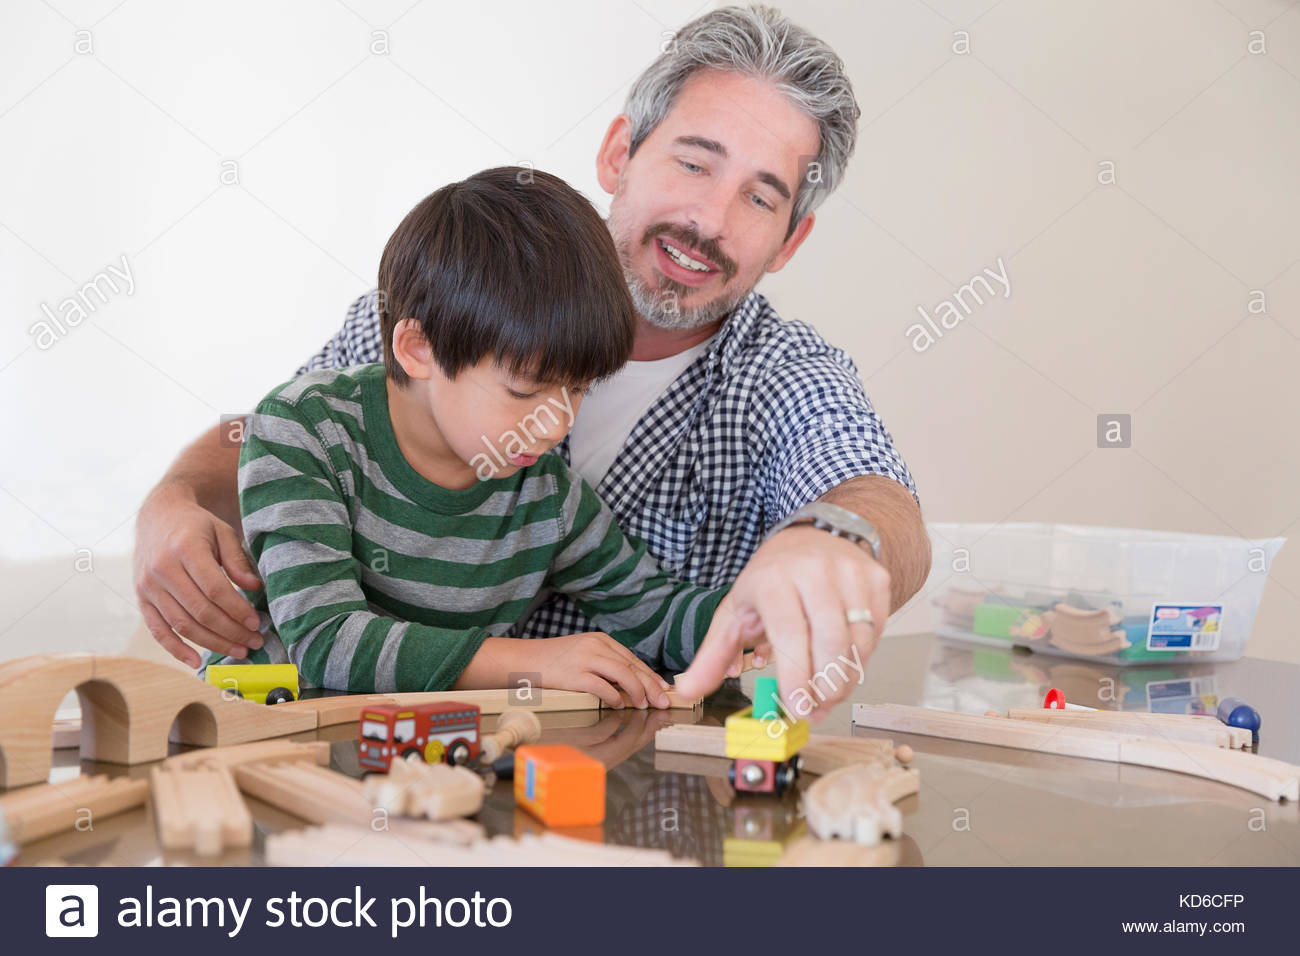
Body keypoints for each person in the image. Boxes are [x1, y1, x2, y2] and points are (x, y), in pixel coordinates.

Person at [135, 5, 932, 720]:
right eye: (694, 162)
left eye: (760, 198)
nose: (707, 219)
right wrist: (173, 498)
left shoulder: (771, 381)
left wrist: (819, 552)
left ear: (791, 239)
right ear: (620, 153)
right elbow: (276, 431)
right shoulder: (460, 292)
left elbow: (876, 500)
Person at [201, 168, 733, 705]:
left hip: (424, 764)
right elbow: (325, 641)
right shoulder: (304, 429)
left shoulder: (544, 495)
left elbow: (654, 612)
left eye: (577, 391)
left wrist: (750, 620)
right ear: (418, 348)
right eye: (525, 391)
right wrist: (533, 663)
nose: (555, 425)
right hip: (258, 741)